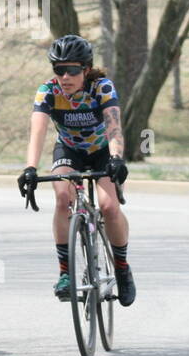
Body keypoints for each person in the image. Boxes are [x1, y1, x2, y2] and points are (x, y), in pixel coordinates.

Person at [17, 35, 134, 306]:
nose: (65, 76)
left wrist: (116, 157)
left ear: (86, 69)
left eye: (72, 70)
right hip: (69, 150)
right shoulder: (48, 91)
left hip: (103, 150)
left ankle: (122, 267)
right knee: (62, 199)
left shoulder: (101, 87)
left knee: (109, 207)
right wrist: (30, 168)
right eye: (59, 70)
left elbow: (114, 126)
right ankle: (65, 274)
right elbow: (38, 130)